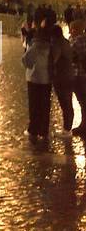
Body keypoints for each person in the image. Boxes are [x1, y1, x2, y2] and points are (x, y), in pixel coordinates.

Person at [22, 20, 53, 149]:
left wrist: (30, 68)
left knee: (34, 105)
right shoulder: (50, 47)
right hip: (46, 80)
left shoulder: (35, 47)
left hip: (34, 79)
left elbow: (25, 60)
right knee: (45, 105)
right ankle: (44, 130)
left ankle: (33, 129)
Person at [48, 23, 76, 140]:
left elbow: (54, 59)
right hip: (69, 75)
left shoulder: (57, 44)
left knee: (65, 103)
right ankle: (67, 128)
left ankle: (66, 130)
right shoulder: (66, 42)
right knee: (68, 102)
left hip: (61, 77)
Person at [70, 19, 86, 138]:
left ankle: (84, 125)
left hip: (78, 75)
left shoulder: (76, 42)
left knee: (82, 101)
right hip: (83, 74)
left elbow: (68, 55)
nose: (70, 31)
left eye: (72, 29)